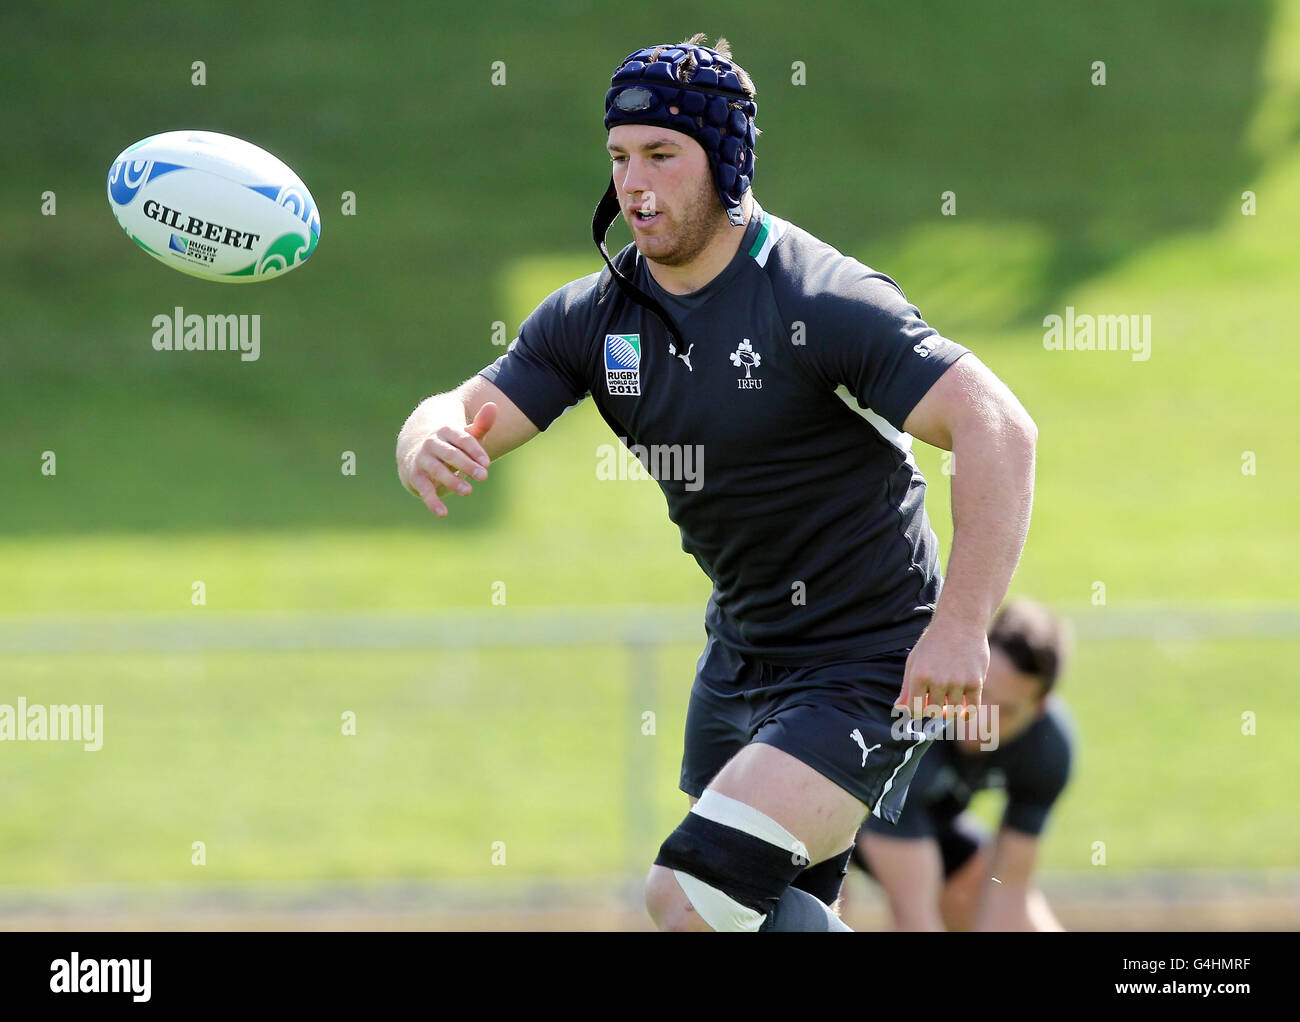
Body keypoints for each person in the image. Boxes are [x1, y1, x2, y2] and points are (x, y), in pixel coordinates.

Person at [395, 34, 1038, 931]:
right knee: (756, 919)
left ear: (727, 160)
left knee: (688, 896)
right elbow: (464, 409)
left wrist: (962, 625)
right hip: (738, 659)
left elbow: (998, 426)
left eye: (662, 153)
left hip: (867, 661)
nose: (634, 181)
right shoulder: (597, 318)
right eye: (620, 156)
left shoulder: (819, 298)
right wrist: (425, 436)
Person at [853, 599, 1074, 931]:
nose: (980, 721)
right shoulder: (915, 724)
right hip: (847, 816)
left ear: (1039, 707)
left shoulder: (1047, 747)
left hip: (932, 821)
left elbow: (1010, 892)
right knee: (818, 908)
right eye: (980, 695)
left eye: (1007, 711)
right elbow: (913, 917)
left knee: (1003, 903)